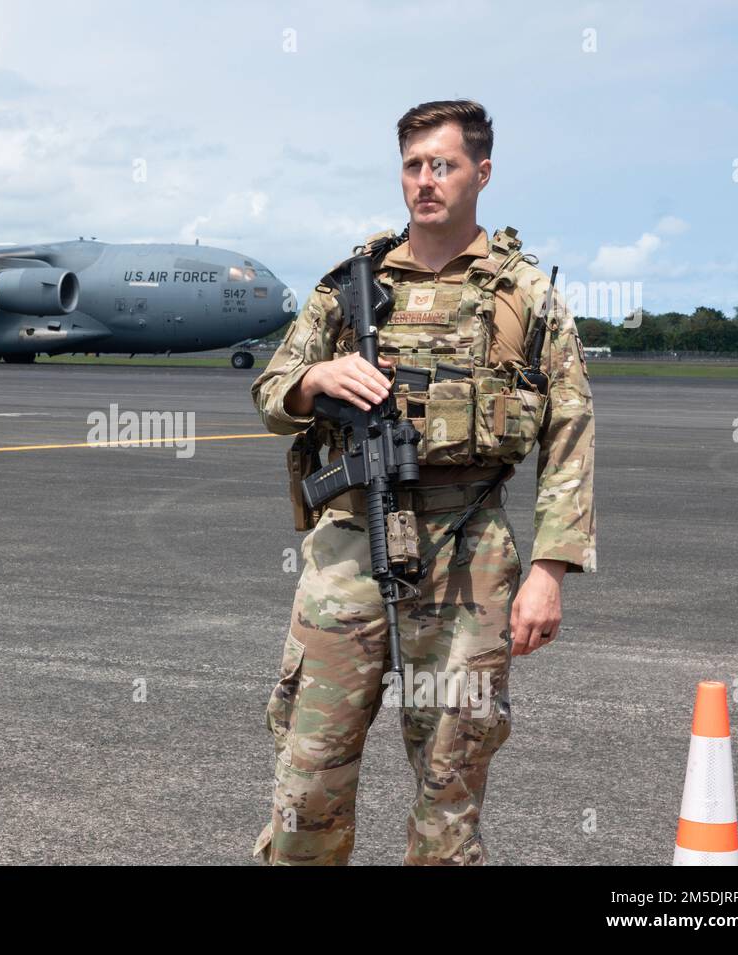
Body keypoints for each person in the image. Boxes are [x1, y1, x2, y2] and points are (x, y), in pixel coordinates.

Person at [250, 100, 595, 865]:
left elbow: (571, 429)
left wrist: (551, 568)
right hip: (348, 548)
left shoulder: (523, 293)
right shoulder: (351, 284)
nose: (425, 181)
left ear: (483, 173)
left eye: (443, 164)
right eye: (413, 165)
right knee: (307, 779)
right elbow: (271, 392)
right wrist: (315, 376)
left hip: (468, 551)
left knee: (449, 786)